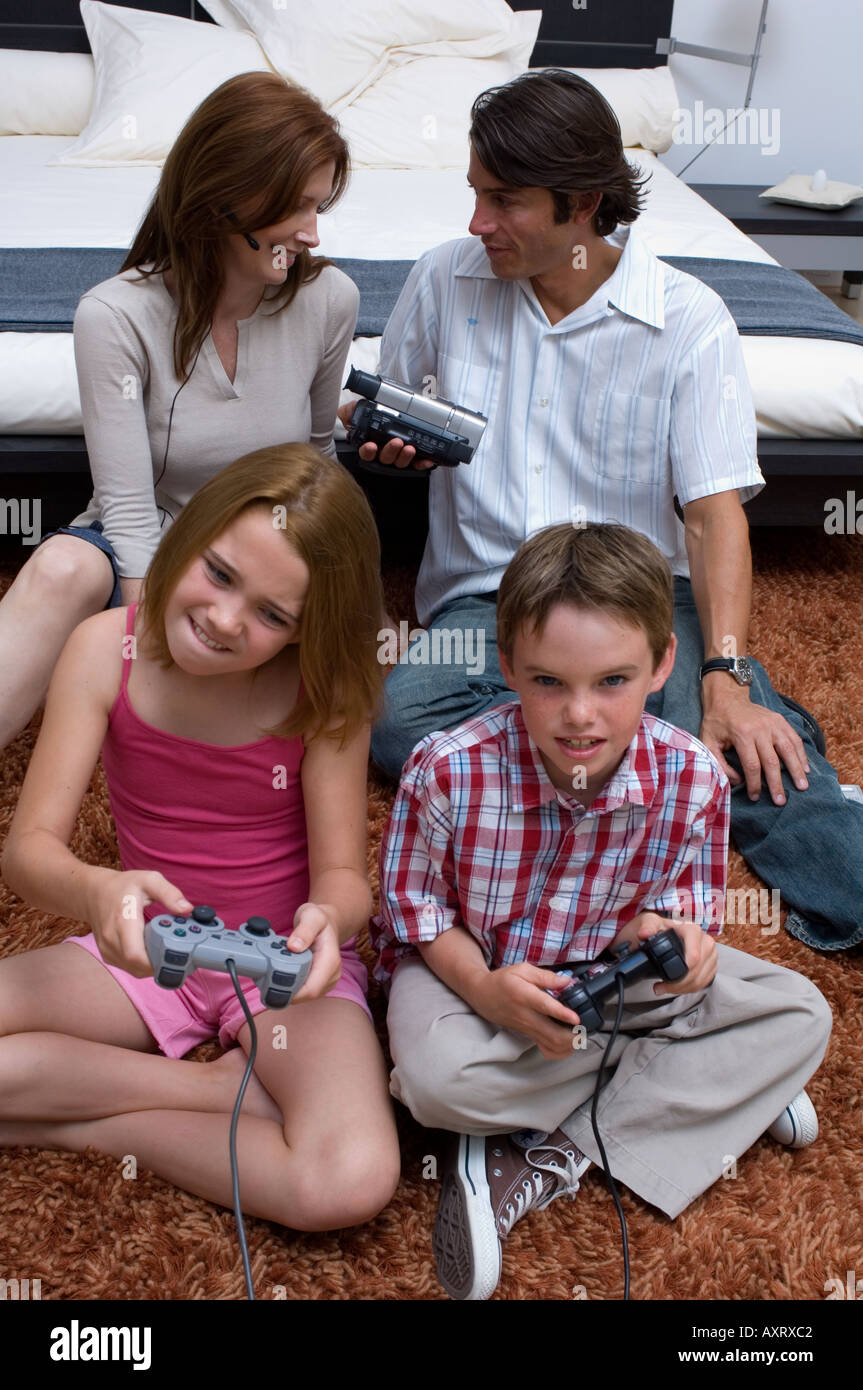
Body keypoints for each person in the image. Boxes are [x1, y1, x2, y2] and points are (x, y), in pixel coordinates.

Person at [343, 68, 863, 952]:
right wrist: (382, 440)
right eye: (474, 194)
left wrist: (725, 671)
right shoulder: (442, 280)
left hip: (641, 593)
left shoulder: (688, 320)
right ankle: (657, 722)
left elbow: (712, 513)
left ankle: (828, 854)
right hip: (490, 599)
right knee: (396, 725)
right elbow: (391, 410)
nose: (477, 224)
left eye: (503, 201)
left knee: (728, 745)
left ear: (582, 203)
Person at [370, 521, 832, 1301]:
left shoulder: (692, 776)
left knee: (802, 1013)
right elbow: (413, 918)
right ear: (509, 666)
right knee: (431, 1080)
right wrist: (485, 991)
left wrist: (674, 942)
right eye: (549, 682)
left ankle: (532, 1145)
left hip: (609, 980)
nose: (579, 715)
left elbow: (683, 916)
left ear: (661, 666)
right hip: (467, 972)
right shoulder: (445, 769)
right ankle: (713, 1083)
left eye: (611, 682)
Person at [0, 444, 400, 1231]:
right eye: (218, 573)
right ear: (188, 535)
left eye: (272, 615)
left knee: (347, 1181)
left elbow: (344, 880)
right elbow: (29, 851)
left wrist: (331, 920)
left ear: (304, 632)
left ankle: (74, 1118)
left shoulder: (327, 696)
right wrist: (97, 888)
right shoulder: (102, 649)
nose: (224, 620)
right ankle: (221, 1096)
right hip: (149, 953)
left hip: (284, 970)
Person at [0, 70, 359, 751]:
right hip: (151, 547)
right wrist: (151, 649)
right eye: (298, 207)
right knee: (58, 567)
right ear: (228, 198)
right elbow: (127, 508)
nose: (313, 233)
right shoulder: (114, 315)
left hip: (266, 551)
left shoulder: (329, 300)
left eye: (321, 207)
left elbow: (316, 459)